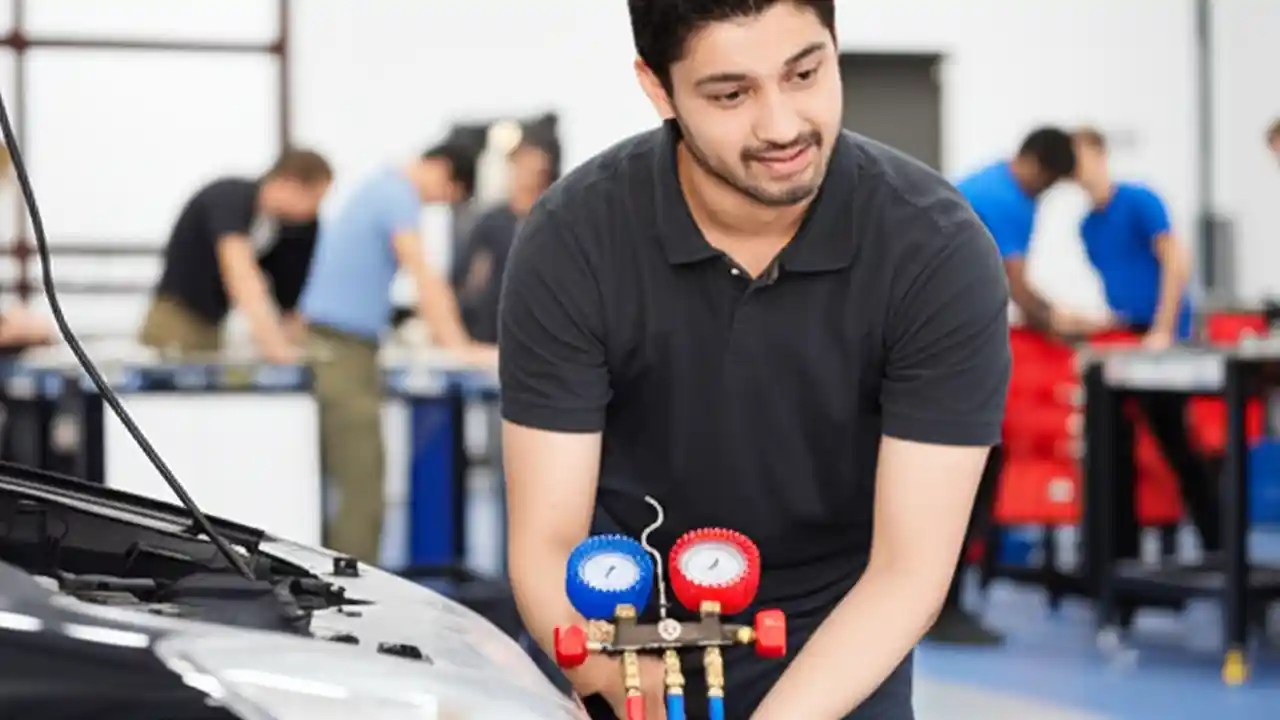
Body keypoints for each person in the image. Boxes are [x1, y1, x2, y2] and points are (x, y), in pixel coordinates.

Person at [499, 2, 1011, 718]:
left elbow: (908, 572)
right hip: (616, 633)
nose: (781, 125)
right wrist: (622, 687)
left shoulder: (934, 253)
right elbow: (547, 542)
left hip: (839, 645)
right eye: (731, 94)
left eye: (805, 73)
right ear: (658, 88)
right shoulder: (574, 240)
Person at [298, 143, 496, 564]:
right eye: (446, 192)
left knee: (356, 479)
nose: (438, 202)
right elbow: (423, 274)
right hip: (341, 351)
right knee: (362, 480)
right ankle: (352, 590)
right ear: (440, 169)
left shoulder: (377, 187)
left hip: (347, 348)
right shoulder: (396, 195)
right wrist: (459, 347)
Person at [1072, 127, 1219, 556]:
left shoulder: (1139, 200)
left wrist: (1164, 329)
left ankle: (1219, 545)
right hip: (1127, 339)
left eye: (1079, 155)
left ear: (1099, 154)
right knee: (1112, 448)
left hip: (1162, 340)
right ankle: (1120, 558)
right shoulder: (1088, 227)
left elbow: (1176, 261)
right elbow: (1121, 285)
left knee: (1177, 444)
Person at [139, 149, 333, 362]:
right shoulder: (229, 198)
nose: (315, 208)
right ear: (289, 183)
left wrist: (301, 344)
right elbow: (241, 275)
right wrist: (275, 346)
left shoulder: (291, 228)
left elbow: (290, 302)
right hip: (176, 317)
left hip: (214, 322)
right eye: (313, 197)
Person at [452, 139, 555, 343]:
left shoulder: (553, 220)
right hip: (490, 328)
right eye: (523, 167)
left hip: (539, 326)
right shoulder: (491, 221)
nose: (528, 176)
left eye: (535, 170)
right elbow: (467, 276)